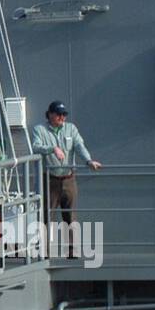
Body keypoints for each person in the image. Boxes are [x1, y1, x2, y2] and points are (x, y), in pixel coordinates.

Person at [31, 101, 102, 259]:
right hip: (50, 180)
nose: (61, 117)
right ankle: (44, 252)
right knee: (46, 216)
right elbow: (35, 147)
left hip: (69, 179)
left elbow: (79, 145)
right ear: (49, 114)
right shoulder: (39, 129)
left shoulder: (71, 128)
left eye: (64, 114)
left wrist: (89, 161)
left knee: (70, 216)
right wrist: (52, 149)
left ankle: (72, 251)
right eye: (58, 114)